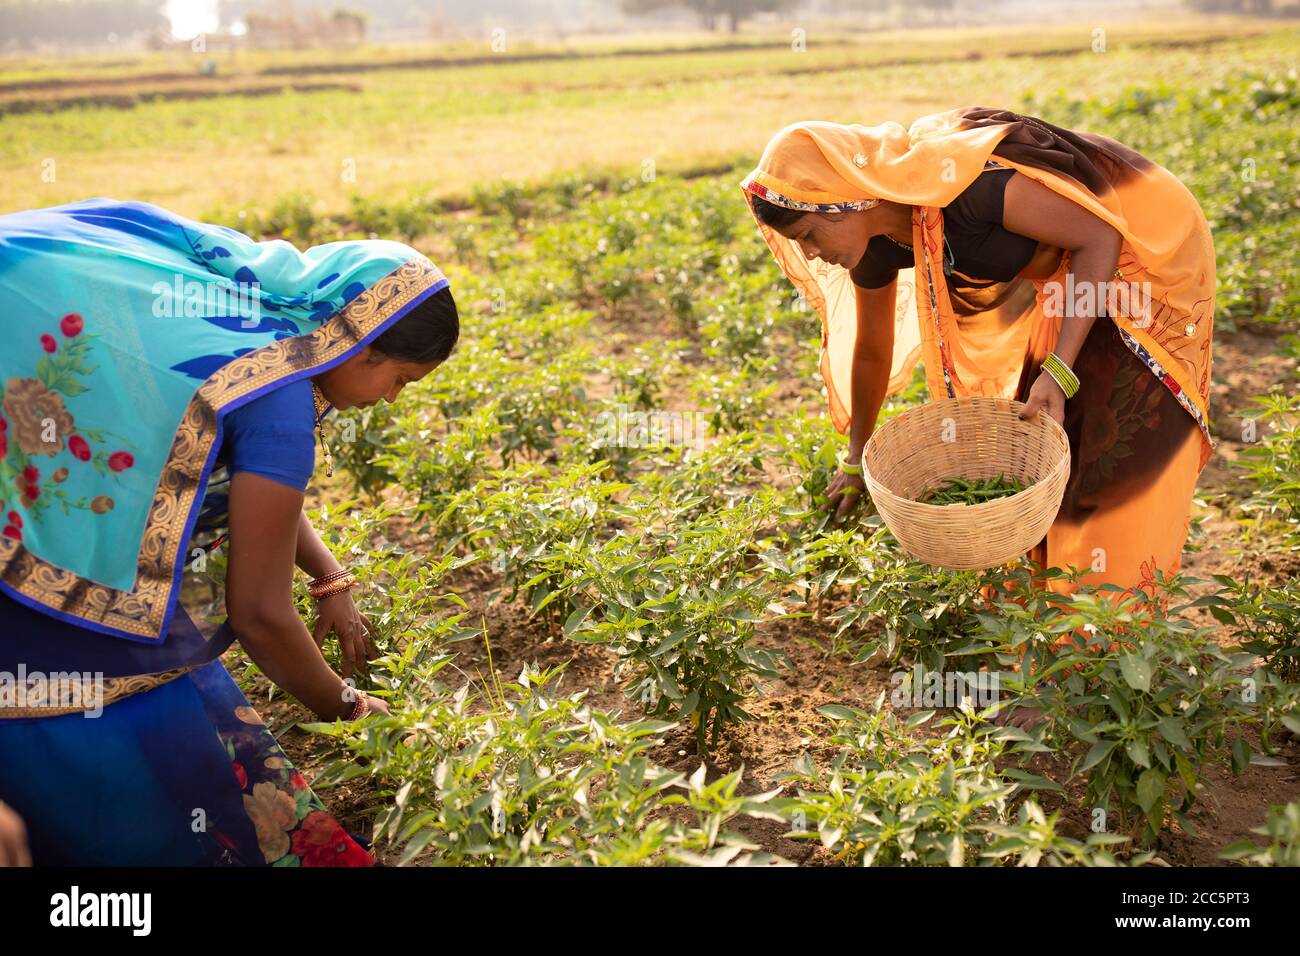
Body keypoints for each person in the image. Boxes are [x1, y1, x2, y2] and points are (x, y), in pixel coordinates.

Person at [0, 199, 458, 865]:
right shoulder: (278, 403)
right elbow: (261, 616)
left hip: (30, 520)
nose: (391, 399)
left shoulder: (255, 331)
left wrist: (329, 579)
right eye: (400, 380)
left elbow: (249, 492)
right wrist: (349, 705)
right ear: (361, 342)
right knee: (139, 814)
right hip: (48, 626)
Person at [741, 109, 1215, 725]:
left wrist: (1061, 372)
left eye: (809, 234)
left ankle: (1095, 673)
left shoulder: (968, 188)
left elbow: (1101, 237)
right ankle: (1050, 653)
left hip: (1142, 253)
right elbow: (872, 352)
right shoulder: (876, 245)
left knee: (1114, 456)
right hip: (1074, 276)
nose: (813, 253)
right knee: (1047, 450)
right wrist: (855, 459)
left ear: (844, 204)